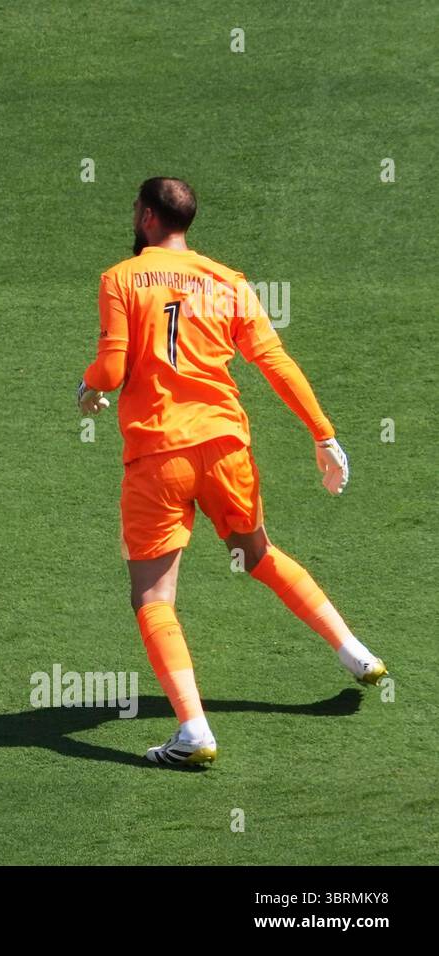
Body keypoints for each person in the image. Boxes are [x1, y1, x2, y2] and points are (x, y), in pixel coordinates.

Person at [77, 176, 387, 766]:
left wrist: (89, 385)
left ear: (146, 216)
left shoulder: (120, 278)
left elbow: (113, 370)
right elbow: (274, 362)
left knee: (153, 596)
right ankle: (354, 651)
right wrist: (323, 434)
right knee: (258, 554)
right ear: (186, 221)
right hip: (224, 445)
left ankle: (194, 731)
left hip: (158, 455)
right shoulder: (228, 282)